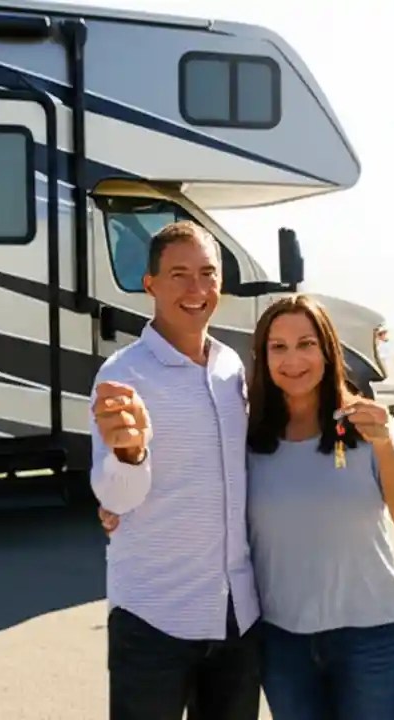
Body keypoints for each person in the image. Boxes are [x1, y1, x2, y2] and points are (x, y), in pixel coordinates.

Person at [101, 293, 394, 720]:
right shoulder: (249, 435)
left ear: (329, 351)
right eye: (279, 347)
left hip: (374, 639)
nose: (293, 359)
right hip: (284, 643)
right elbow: (199, 487)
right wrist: (123, 506)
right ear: (263, 357)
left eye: (307, 344)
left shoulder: (367, 426)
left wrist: (385, 444)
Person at [90, 220, 262, 720]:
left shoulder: (233, 368)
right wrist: (130, 454)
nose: (196, 289)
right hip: (154, 621)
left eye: (207, 273)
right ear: (151, 286)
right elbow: (115, 498)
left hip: (237, 620)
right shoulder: (123, 374)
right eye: (179, 274)